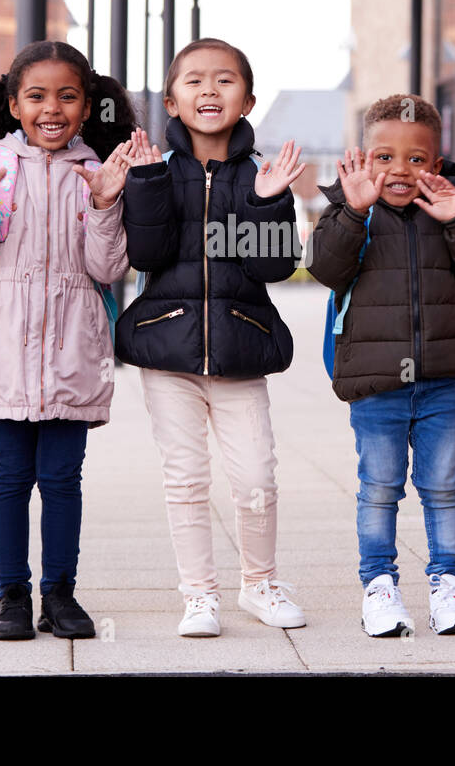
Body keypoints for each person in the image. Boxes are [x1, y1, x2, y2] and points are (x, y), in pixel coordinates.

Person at [0, 41, 134, 640]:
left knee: (64, 479)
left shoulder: (97, 172)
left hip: (73, 350)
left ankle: (60, 593)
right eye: (37, 96)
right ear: (14, 103)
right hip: (2, 353)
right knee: (10, 478)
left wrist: (104, 204)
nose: (52, 108)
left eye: (67, 96)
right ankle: (11, 595)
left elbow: (106, 267)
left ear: (87, 105)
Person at [117, 37, 307, 637]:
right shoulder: (155, 171)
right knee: (186, 479)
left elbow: (273, 267)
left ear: (247, 100)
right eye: (193, 81)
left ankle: (260, 584)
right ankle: (199, 595)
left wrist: (270, 203)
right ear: (171, 102)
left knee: (256, 478)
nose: (208, 90)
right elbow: (144, 255)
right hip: (168, 350)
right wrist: (144, 186)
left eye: (224, 81)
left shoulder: (260, 176)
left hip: (240, 348)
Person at [306, 93, 455, 636]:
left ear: (435, 166)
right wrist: (353, 210)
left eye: (416, 159)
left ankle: (448, 584)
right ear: (364, 159)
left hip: (442, 379)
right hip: (375, 383)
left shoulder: (453, 210)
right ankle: (380, 587)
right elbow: (325, 267)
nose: (399, 169)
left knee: (443, 488)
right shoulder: (349, 211)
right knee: (379, 488)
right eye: (384, 157)